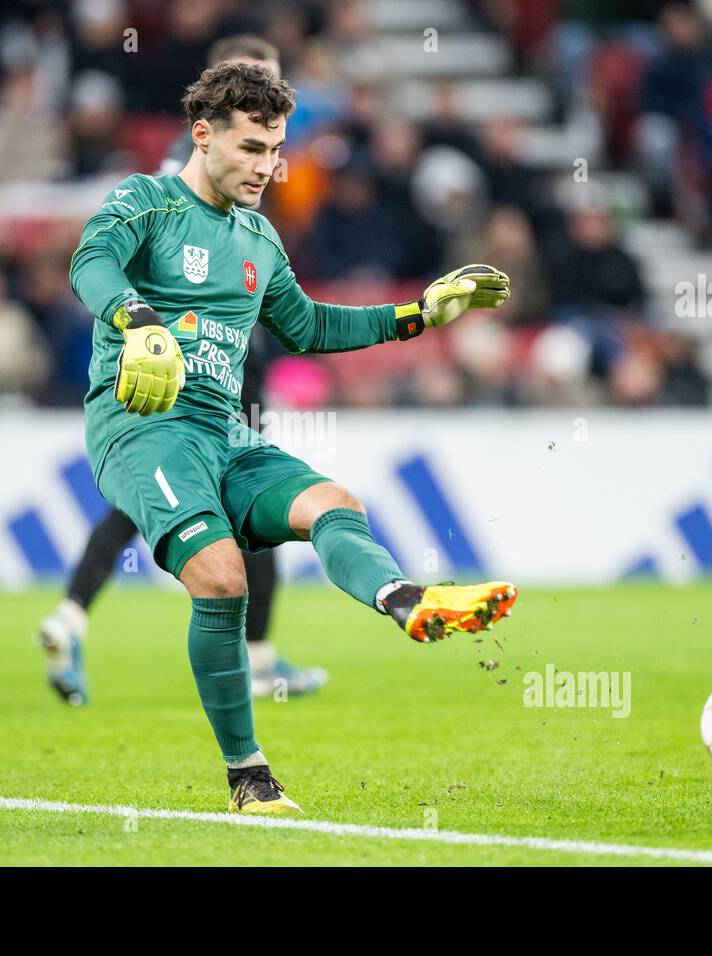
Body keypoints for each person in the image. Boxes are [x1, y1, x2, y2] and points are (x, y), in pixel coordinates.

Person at [67, 61, 517, 814]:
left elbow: (307, 326)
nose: (267, 168)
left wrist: (417, 315)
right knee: (220, 576)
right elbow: (92, 262)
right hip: (142, 429)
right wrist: (136, 320)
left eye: (275, 149)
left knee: (333, 502)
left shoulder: (258, 238)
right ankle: (249, 778)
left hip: (224, 431)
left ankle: (403, 598)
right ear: (202, 135)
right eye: (250, 148)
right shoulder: (144, 200)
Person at [36, 36, 329, 704]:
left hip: (171, 351)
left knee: (141, 500)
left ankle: (71, 613)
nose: (274, 111)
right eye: (264, 86)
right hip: (209, 358)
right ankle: (258, 659)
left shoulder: (196, 158)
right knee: (249, 490)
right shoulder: (194, 173)